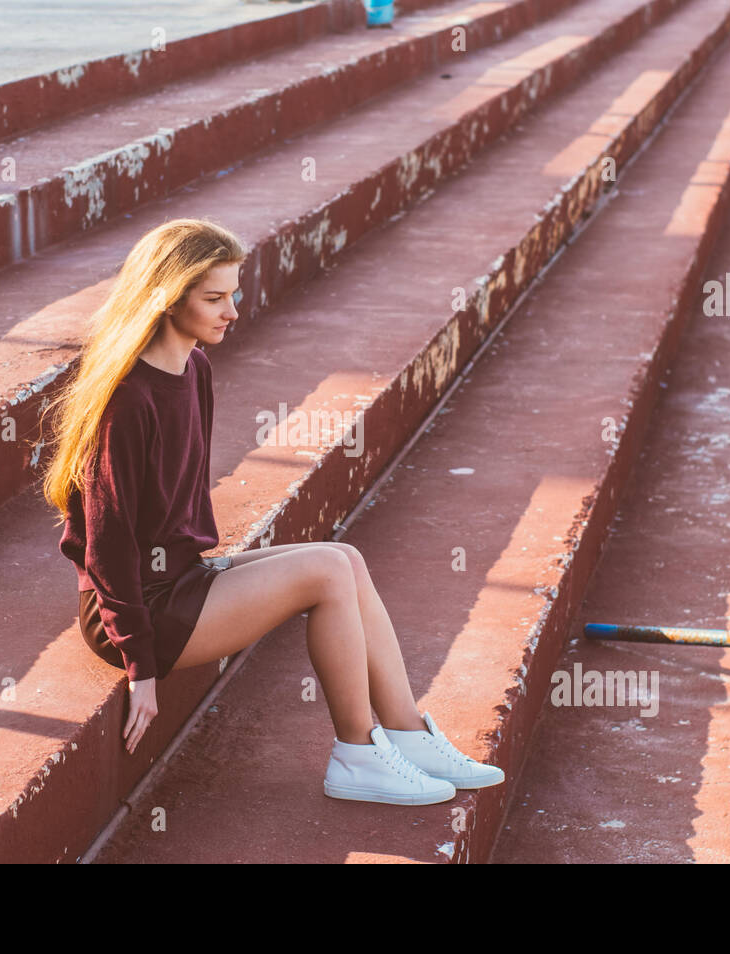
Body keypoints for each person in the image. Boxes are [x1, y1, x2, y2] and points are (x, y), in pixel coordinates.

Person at [41, 217, 503, 805]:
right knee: (325, 572)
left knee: (345, 557)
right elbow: (107, 550)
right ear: (163, 295)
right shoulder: (127, 401)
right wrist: (140, 666)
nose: (232, 310)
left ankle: (407, 734)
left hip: (180, 579)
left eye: (232, 293)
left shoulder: (194, 369)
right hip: (138, 614)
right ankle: (358, 756)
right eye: (214, 297)